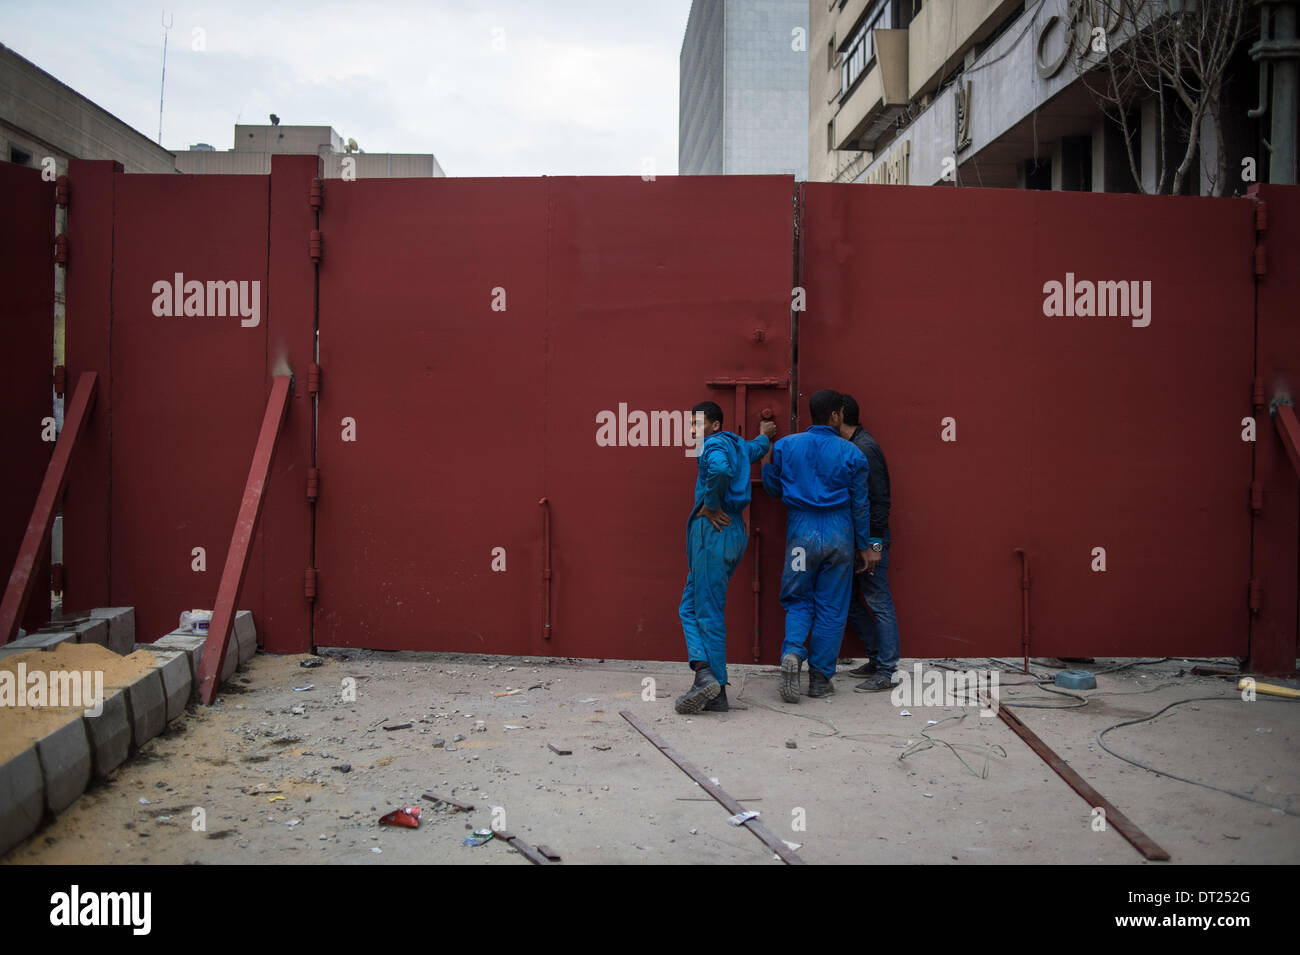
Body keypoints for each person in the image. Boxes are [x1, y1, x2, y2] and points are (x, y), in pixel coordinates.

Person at [761, 390, 880, 703]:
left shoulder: (786, 446)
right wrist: (866, 545)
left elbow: (772, 487)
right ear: (836, 415)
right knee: (831, 606)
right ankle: (819, 679)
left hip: (801, 534)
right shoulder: (852, 454)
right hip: (839, 535)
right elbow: (860, 505)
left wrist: (766, 454)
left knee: (798, 599)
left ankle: (792, 652)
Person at [674, 401, 776, 714]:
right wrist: (766, 435)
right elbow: (756, 450)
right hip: (733, 535)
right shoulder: (738, 446)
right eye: (691, 425)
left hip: (713, 532)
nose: (694, 430)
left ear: (716, 425)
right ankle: (706, 676)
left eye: (699, 424)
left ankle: (712, 683)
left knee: (706, 612)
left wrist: (711, 503)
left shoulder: (714, 444)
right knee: (690, 607)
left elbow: (718, 470)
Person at [837, 394, 900, 692]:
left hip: (870, 543)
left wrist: (874, 546)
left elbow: (879, 501)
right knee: (849, 601)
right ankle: (876, 659)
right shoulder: (855, 445)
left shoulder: (865, 448)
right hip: (856, 541)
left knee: (878, 601)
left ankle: (886, 671)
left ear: (837, 416)